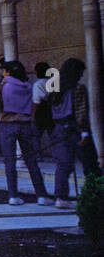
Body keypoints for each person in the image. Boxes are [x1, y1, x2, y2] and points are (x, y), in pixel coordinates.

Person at [0, 59, 51, 207]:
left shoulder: (5, 85)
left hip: (7, 123)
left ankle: (13, 195)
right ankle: (41, 195)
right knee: (31, 161)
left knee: (10, 162)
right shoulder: (28, 86)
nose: (3, 73)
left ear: (8, 72)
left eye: (4, 70)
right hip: (26, 123)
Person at [47, 58, 97, 209]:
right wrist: (84, 133)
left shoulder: (55, 88)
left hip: (58, 128)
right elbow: (81, 112)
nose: (82, 75)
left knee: (63, 164)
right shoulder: (78, 88)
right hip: (74, 128)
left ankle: (60, 197)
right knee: (90, 163)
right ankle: (93, 195)